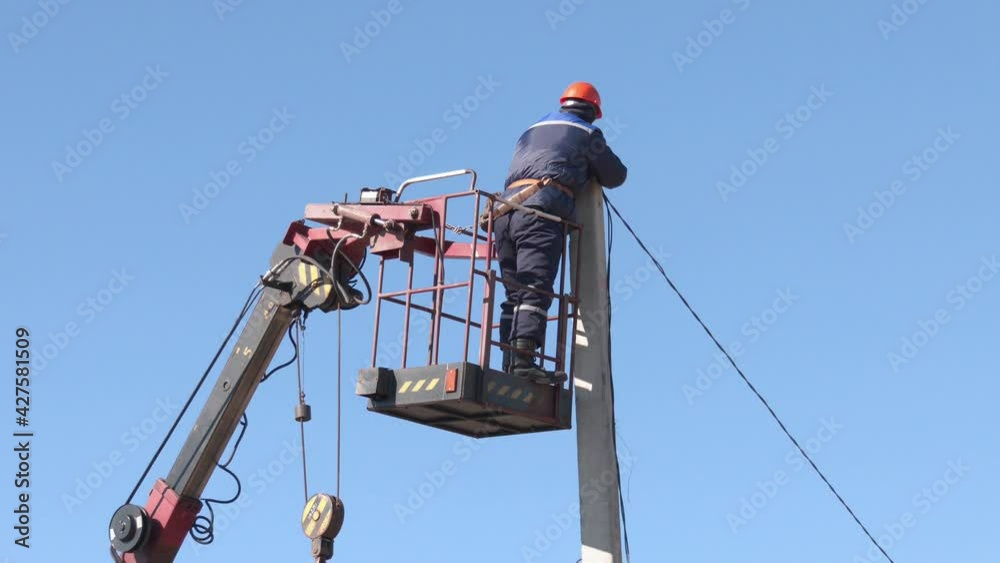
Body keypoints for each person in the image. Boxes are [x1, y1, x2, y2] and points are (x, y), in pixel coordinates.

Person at [493, 82, 627, 384]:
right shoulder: (586, 133)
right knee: (535, 287)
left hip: (504, 212)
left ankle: (509, 361)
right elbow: (615, 175)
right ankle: (524, 361)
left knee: (513, 292)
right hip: (540, 211)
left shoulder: (531, 129)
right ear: (592, 111)